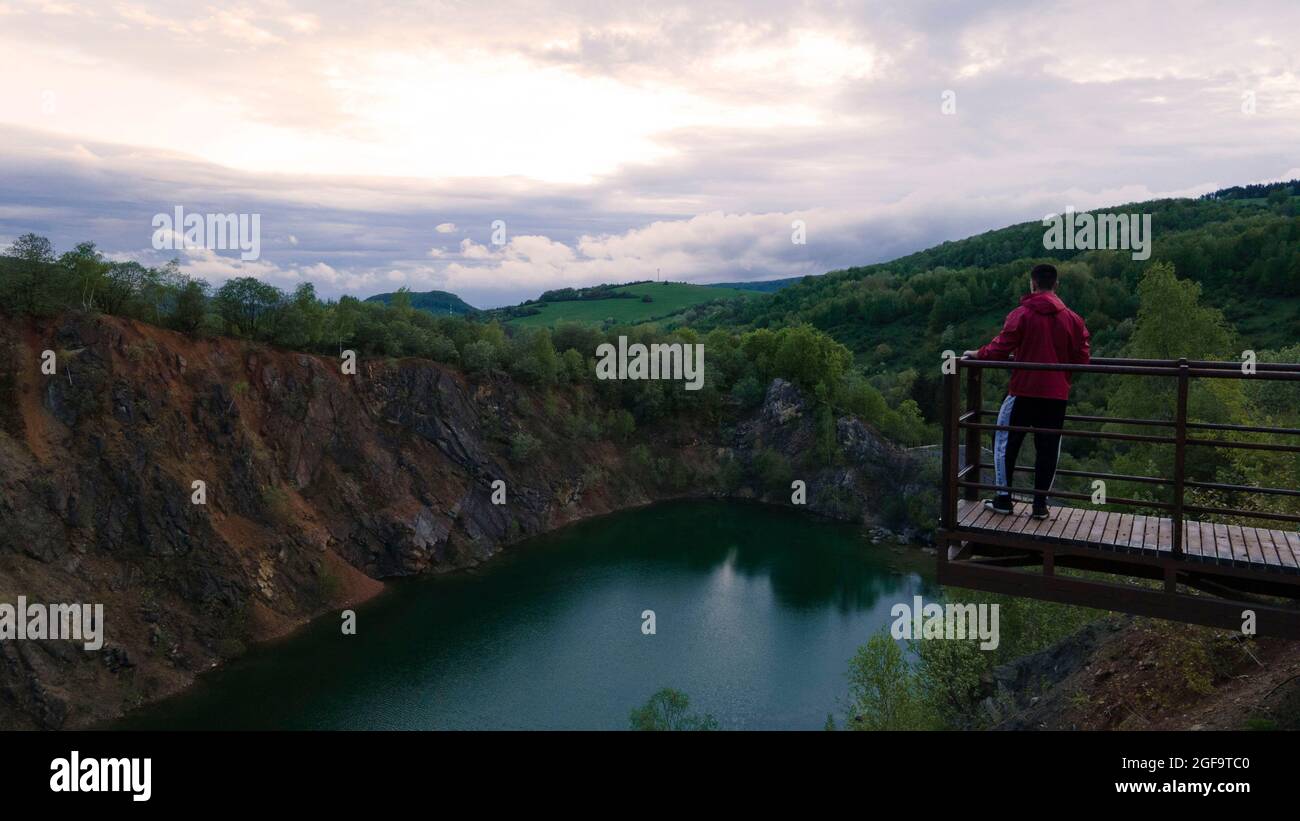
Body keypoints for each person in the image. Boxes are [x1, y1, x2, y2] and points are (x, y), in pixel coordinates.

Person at [963, 263, 1091, 519]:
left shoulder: (1021, 314)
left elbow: (1000, 349)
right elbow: (1082, 357)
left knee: (1004, 443)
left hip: (1023, 390)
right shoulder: (1073, 319)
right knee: (1048, 449)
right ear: (1056, 285)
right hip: (1056, 395)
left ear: (1032, 284)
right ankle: (1040, 506)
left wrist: (978, 354)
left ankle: (1003, 499)